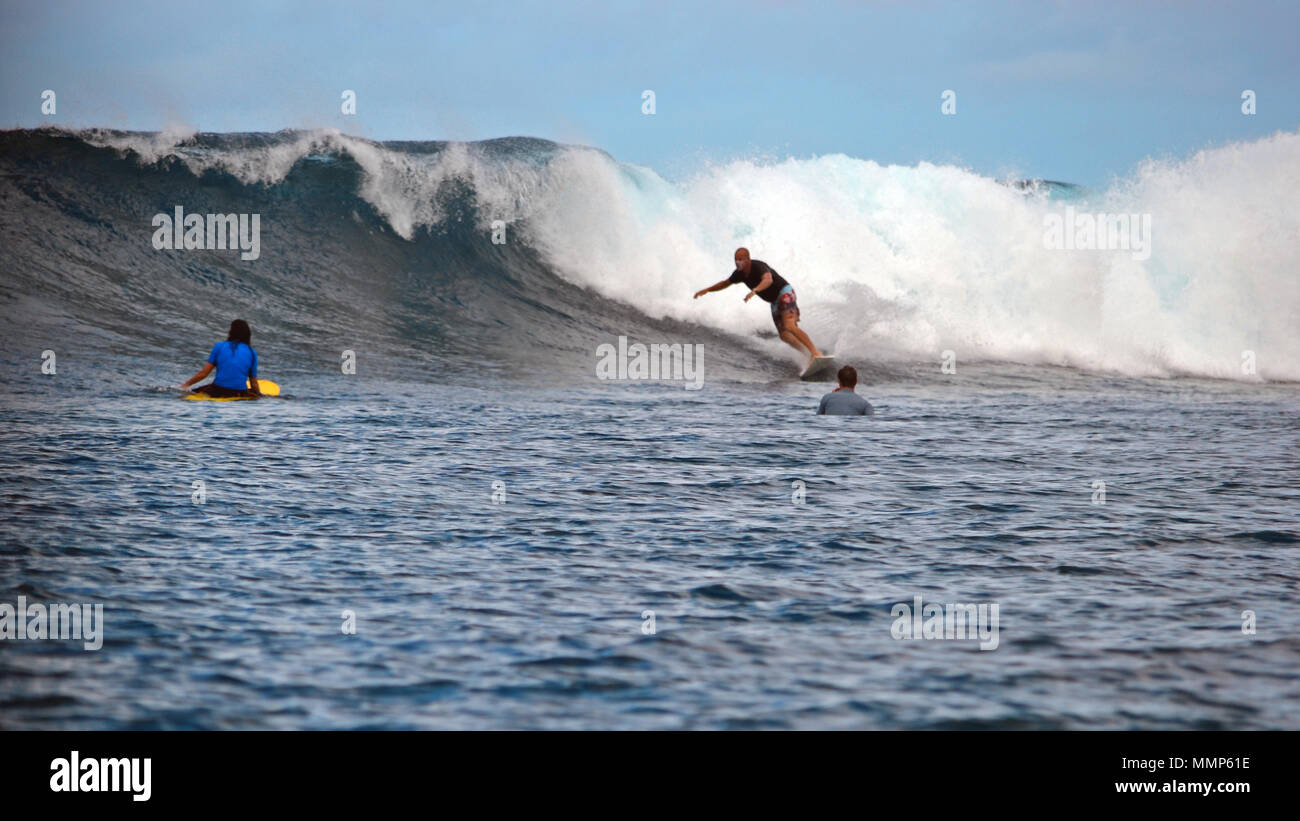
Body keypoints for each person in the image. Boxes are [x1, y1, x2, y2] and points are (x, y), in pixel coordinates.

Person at [694, 247, 823, 366]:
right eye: (736, 260)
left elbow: (768, 280)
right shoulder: (738, 274)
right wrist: (707, 290)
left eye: (741, 260)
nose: (737, 262)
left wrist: (754, 291)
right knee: (784, 336)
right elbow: (725, 283)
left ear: (747, 259)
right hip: (774, 302)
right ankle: (807, 354)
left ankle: (816, 353)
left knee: (790, 326)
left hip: (784, 293)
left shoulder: (758, 266)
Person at [180, 319, 262, 398]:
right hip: (239, 392)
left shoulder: (219, 346)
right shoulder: (251, 352)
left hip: (218, 390)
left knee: (190, 393)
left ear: (231, 332)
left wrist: (186, 385)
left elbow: (203, 374)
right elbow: (253, 382)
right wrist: (258, 394)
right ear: (248, 334)